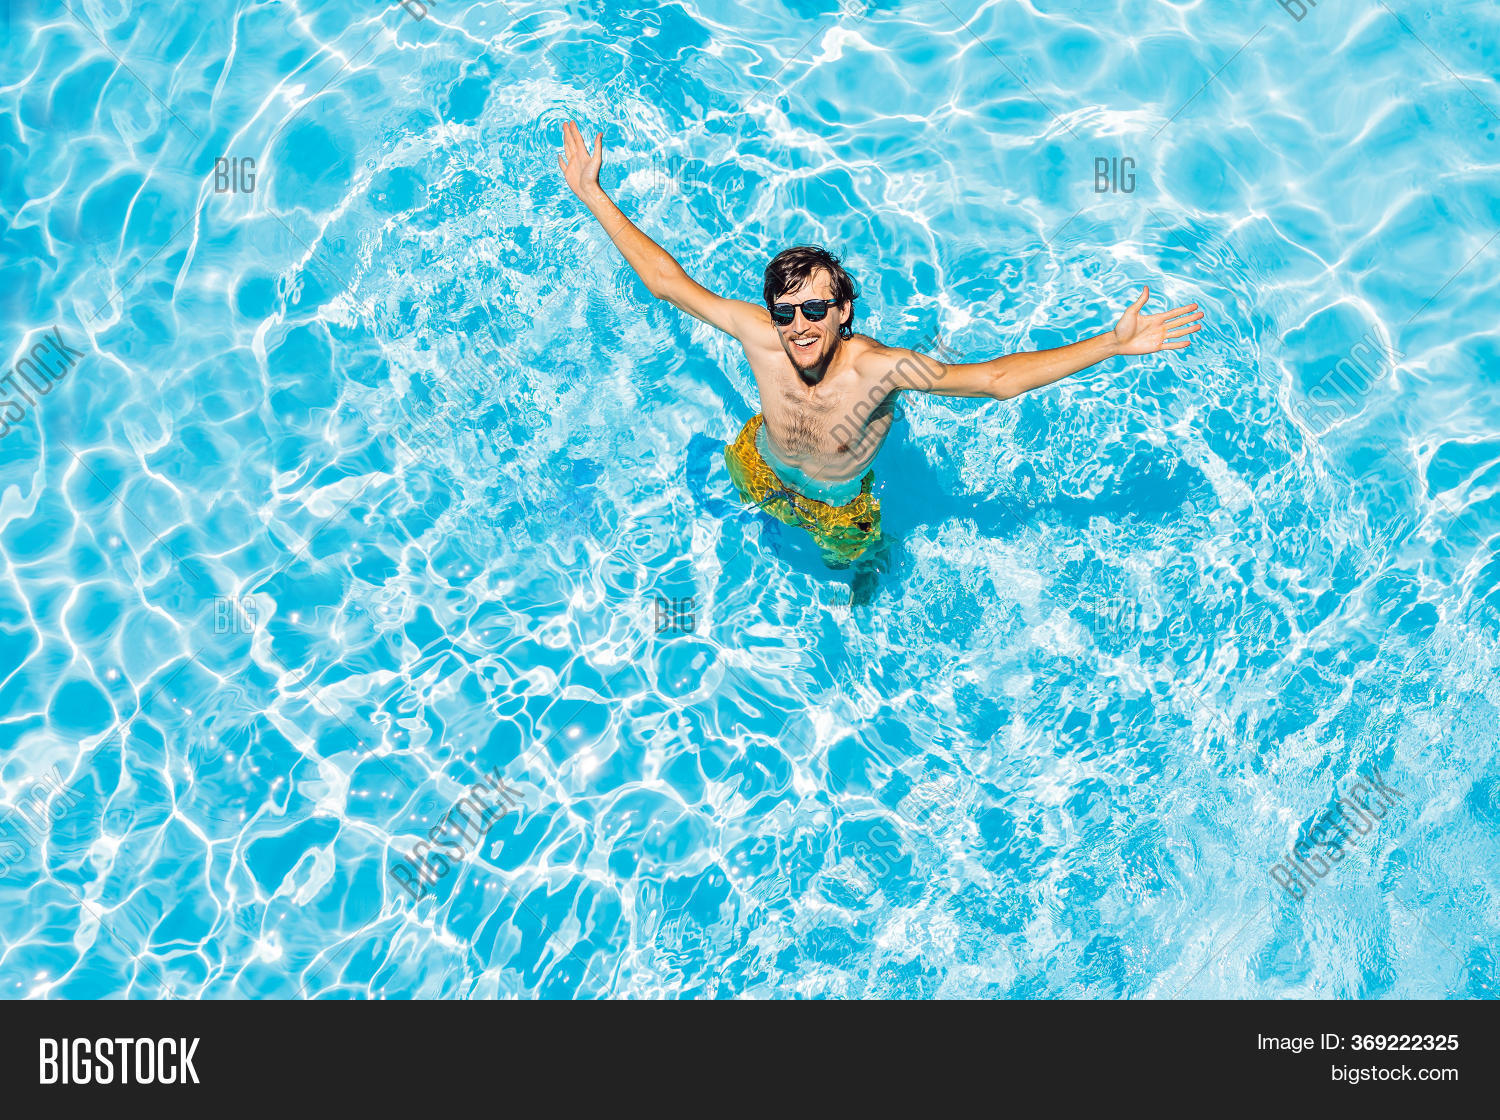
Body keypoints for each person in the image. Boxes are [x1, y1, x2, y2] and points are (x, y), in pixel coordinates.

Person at [557, 121, 1204, 565]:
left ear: (842, 311)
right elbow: (669, 283)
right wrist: (592, 194)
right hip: (761, 471)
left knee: (861, 575)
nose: (799, 327)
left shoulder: (880, 369)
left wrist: (1112, 344)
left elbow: (995, 381)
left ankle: (866, 571)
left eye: (815, 309)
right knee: (733, 515)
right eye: (786, 314)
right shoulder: (760, 336)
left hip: (840, 510)